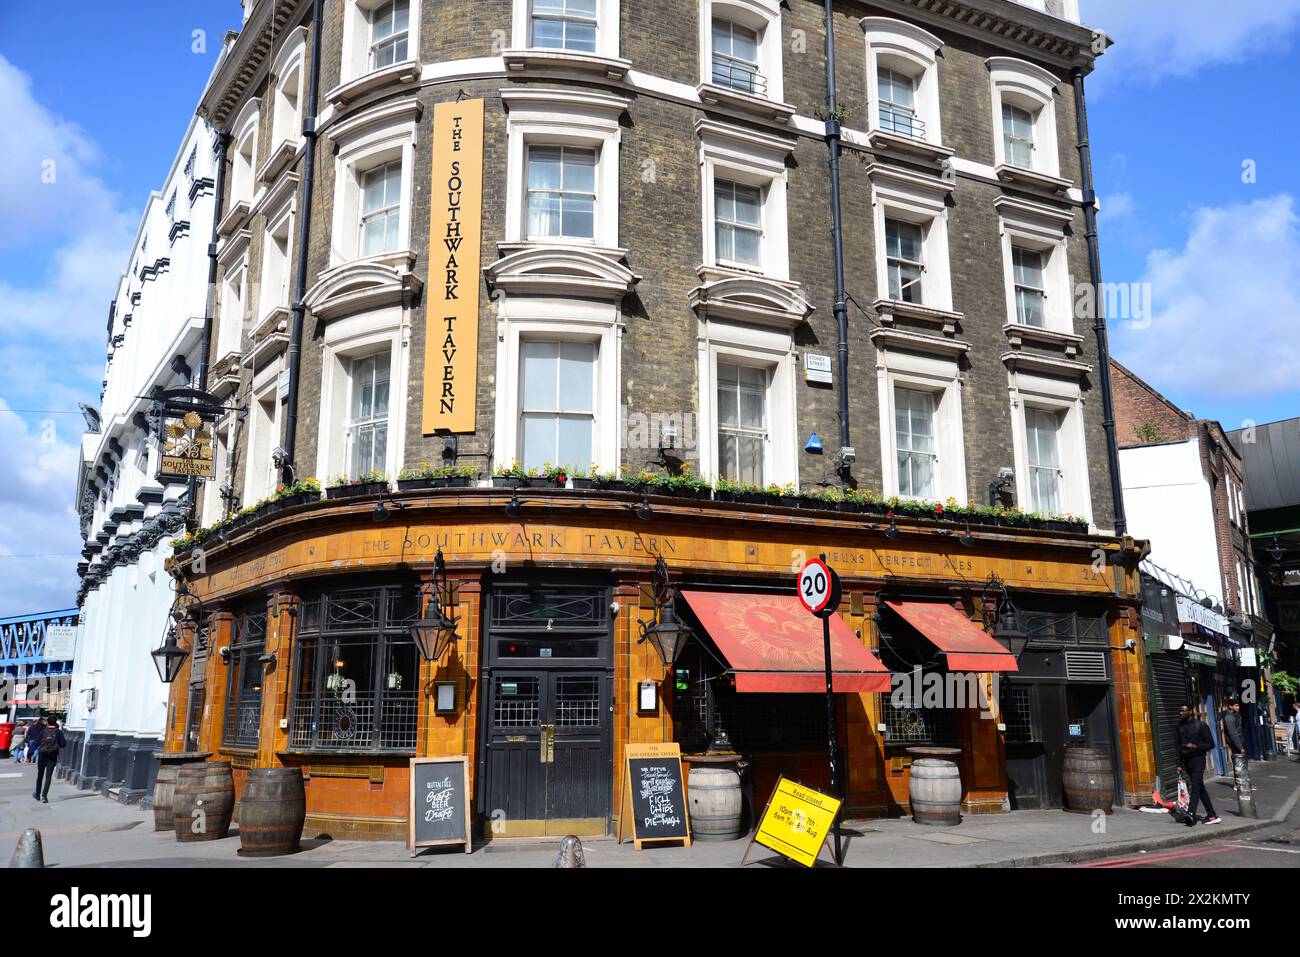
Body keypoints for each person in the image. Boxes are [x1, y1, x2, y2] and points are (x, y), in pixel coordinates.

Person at [1177, 704, 1221, 826]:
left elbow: (1211, 744)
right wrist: (1179, 763)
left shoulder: (1201, 726)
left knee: (1195, 786)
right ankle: (1212, 815)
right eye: (1179, 711)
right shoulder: (1180, 726)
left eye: (1183, 711)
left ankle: (1191, 813)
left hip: (1198, 759)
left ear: (1190, 711)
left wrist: (1196, 746)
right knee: (1200, 787)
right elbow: (1178, 745)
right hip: (1186, 760)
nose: (1180, 713)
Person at [32, 717, 64, 804]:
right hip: (52, 756)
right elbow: (63, 744)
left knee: (40, 775)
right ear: (55, 722)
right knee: (48, 777)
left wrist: (29, 753)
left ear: (48, 723)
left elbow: (35, 742)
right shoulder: (58, 732)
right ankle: (44, 796)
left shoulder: (43, 732)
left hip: (42, 756)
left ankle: (37, 794)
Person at [1223, 698, 1247, 783]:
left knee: (1241, 763)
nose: (1238, 707)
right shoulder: (1229, 717)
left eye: (1238, 705)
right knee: (1238, 763)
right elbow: (1233, 733)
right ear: (1230, 706)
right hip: (1235, 743)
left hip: (1238, 741)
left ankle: (1243, 783)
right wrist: (1240, 746)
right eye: (1236, 706)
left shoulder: (1235, 714)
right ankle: (1238, 784)